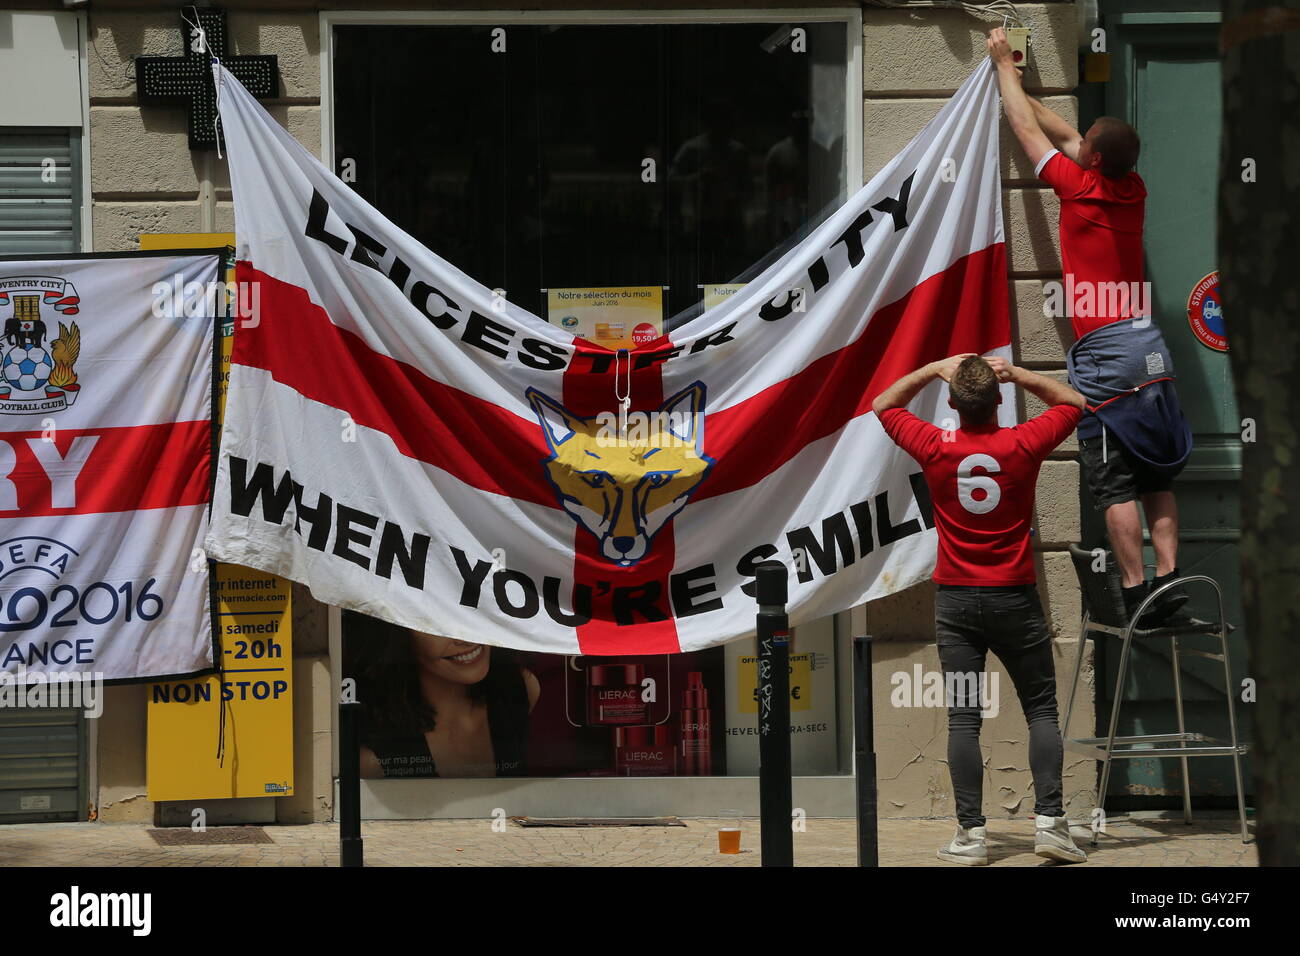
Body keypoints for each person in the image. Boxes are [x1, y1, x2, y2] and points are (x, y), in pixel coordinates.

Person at [987, 27, 1191, 624]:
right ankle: (1169, 580)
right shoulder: (1132, 188)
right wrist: (1020, 85)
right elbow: (1070, 135)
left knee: (1114, 482)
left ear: (1093, 163)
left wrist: (1002, 63)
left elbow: (1028, 133)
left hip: (1109, 354)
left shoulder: (1077, 188)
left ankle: (1135, 595)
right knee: (1156, 471)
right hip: (1149, 347)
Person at [874, 353, 1088, 865]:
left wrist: (933, 368)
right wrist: (1020, 374)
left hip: (957, 606)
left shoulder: (934, 444)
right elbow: (1075, 401)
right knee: (1040, 710)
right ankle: (1051, 825)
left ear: (951, 403)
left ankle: (970, 837)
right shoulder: (1022, 442)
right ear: (999, 402)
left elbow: (883, 402)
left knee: (964, 719)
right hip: (1014, 601)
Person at [343, 611, 540, 778]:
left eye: (471, 611)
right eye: (437, 623)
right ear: (398, 635)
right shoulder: (372, 758)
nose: (465, 638)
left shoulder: (520, 688)